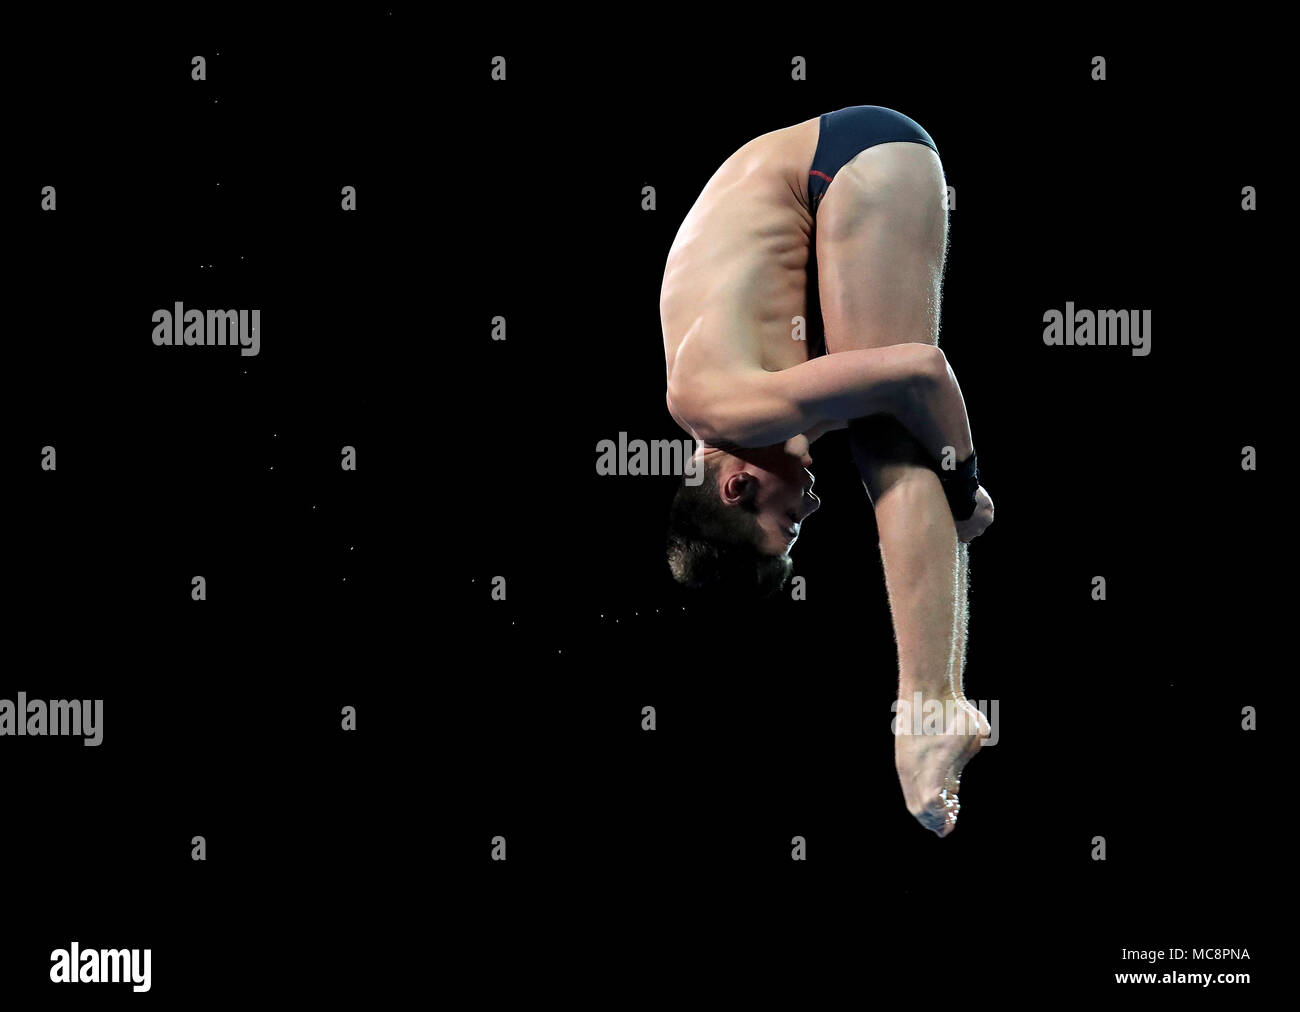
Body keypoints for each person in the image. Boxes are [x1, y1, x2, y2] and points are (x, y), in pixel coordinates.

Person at [660, 106, 993, 835]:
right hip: (840, 164)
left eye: (788, 522)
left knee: (889, 440)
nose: (811, 507)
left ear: (735, 486)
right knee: (884, 429)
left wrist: (965, 486)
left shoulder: (726, 406)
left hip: (848, 163)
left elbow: (922, 373)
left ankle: (930, 710)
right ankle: (934, 702)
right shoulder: (727, 416)